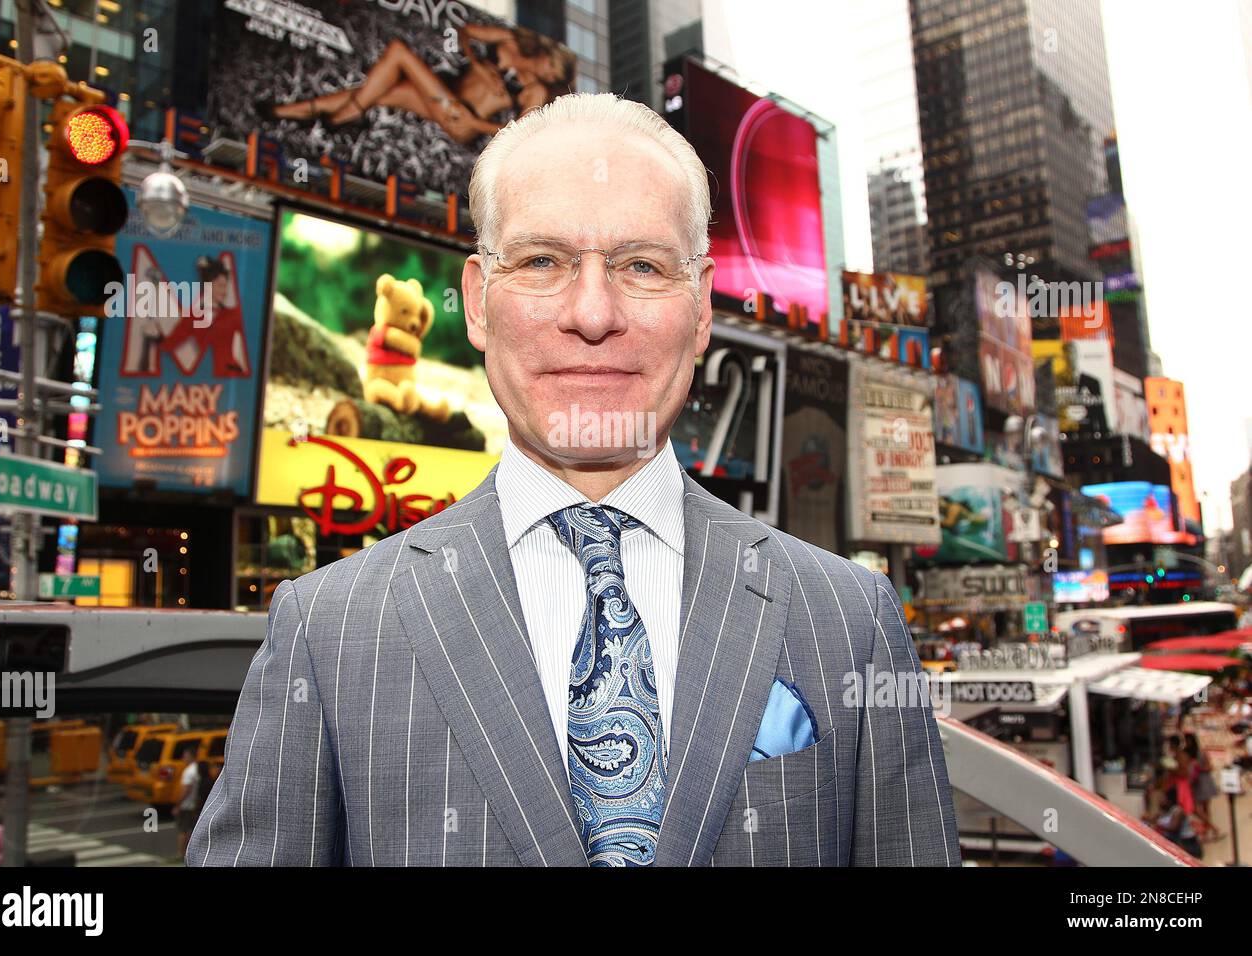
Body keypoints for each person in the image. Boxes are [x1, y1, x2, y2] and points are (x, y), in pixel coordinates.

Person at [189, 93, 960, 867]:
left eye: (642, 265)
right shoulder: (329, 631)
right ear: (478, 302)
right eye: (542, 261)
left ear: (700, 311)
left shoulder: (851, 620)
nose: (592, 313)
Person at [265, 25, 575, 144]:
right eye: (551, 66)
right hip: (448, 94)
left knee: (399, 54)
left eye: (553, 75)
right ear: (549, 55)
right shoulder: (510, 41)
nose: (547, 72)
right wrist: (476, 61)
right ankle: (288, 111)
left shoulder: (535, 88)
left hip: (459, 116)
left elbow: (519, 130)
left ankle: (345, 113)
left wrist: (475, 123)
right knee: (390, 92)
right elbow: (464, 31)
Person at [175, 748, 210, 862]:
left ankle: (181, 854)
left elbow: (187, 789)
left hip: (186, 806)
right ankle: (191, 853)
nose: (183, 758)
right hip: (195, 806)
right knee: (192, 830)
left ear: (191, 756)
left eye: (185, 755)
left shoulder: (189, 771)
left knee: (183, 831)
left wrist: (178, 805)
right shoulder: (197, 769)